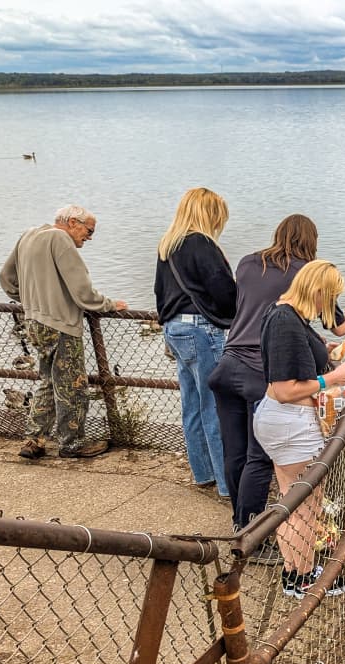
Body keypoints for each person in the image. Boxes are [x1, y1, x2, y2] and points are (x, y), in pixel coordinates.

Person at [208, 215, 345, 547]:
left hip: (227, 363)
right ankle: (254, 536)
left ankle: (241, 521)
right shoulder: (307, 273)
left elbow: (244, 310)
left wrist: (315, 346)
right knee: (260, 457)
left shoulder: (248, 263)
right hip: (259, 370)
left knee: (235, 452)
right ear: (311, 241)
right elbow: (335, 325)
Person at [252, 260, 345, 598]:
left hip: (283, 423)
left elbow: (291, 360)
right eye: (331, 296)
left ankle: (297, 574)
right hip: (291, 424)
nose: (332, 304)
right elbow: (285, 389)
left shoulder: (286, 313)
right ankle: (303, 577)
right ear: (316, 290)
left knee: (294, 502)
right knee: (304, 506)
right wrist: (333, 378)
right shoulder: (287, 322)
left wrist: (322, 350)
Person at [0, 204, 127, 459]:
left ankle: (34, 439)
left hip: (34, 322)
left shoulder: (29, 235)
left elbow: (6, 278)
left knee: (48, 382)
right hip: (60, 325)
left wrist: (30, 300)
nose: (89, 237)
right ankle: (72, 444)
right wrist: (109, 305)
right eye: (89, 231)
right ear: (72, 223)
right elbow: (82, 291)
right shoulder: (60, 238)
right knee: (72, 385)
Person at [155, 188, 237, 497]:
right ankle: (228, 484)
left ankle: (203, 473)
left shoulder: (168, 245)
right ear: (209, 214)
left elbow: (159, 292)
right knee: (216, 407)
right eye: (219, 217)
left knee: (191, 405)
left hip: (175, 329)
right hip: (202, 331)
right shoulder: (202, 244)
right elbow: (224, 292)